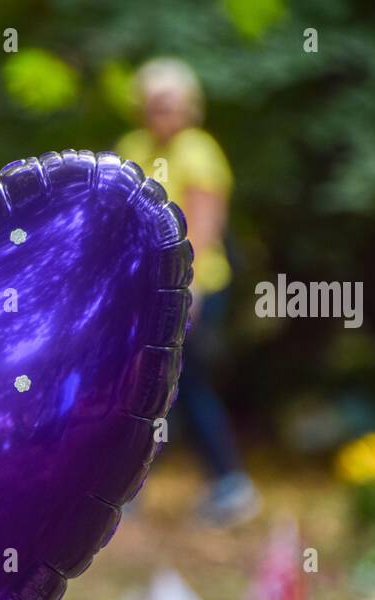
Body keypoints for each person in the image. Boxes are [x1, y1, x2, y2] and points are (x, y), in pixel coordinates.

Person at [116, 58, 260, 526]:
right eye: (155, 104)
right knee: (146, 385)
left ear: (189, 107)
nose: (162, 113)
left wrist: (189, 289)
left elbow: (204, 228)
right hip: (145, 289)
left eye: (171, 104)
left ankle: (229, 484)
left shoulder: (199, 152)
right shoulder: (132, 148)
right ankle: (126, 486)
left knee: (184, 384)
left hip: (192, 288)